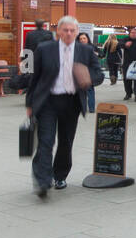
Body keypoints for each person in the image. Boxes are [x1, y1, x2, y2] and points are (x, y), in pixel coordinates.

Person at [25, 15, 104, 197]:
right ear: (58, 32)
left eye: (72, 30)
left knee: (65, 142)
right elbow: (34, 78)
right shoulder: (45, 49)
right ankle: (43, 181)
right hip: (48, 102)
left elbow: (98, 74)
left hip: (71, 102)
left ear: (77, 32)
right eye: (65, 30)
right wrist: (30, 103)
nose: (68, 33)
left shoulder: (85, 51)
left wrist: (88, 78)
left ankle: (60, 175)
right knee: (46, 141)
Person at [74, 32, 97, 113]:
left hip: (89, 72)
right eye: (80, 39)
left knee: (90, 90)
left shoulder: (92, 47)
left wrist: (96, 54)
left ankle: (91, 108)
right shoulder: (75, 47)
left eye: (84, 38)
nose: (82, 40)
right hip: (78, 71)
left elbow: (102, 54)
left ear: (87, 39)